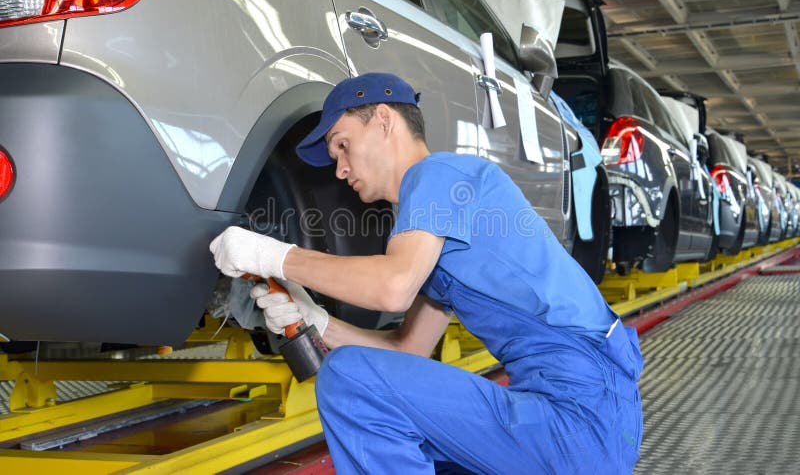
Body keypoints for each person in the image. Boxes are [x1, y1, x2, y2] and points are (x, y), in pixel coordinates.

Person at [210, 72, 644, 474]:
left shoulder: (439, 176)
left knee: (348, 377)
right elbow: (407, 350)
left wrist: (273, 255)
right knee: (382, 401)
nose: (340, 169)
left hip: (581, 412)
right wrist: (316, 321)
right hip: (582, 419)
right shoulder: (430, 227)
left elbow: (393, 289)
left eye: (342, 145)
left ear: (383, 120)